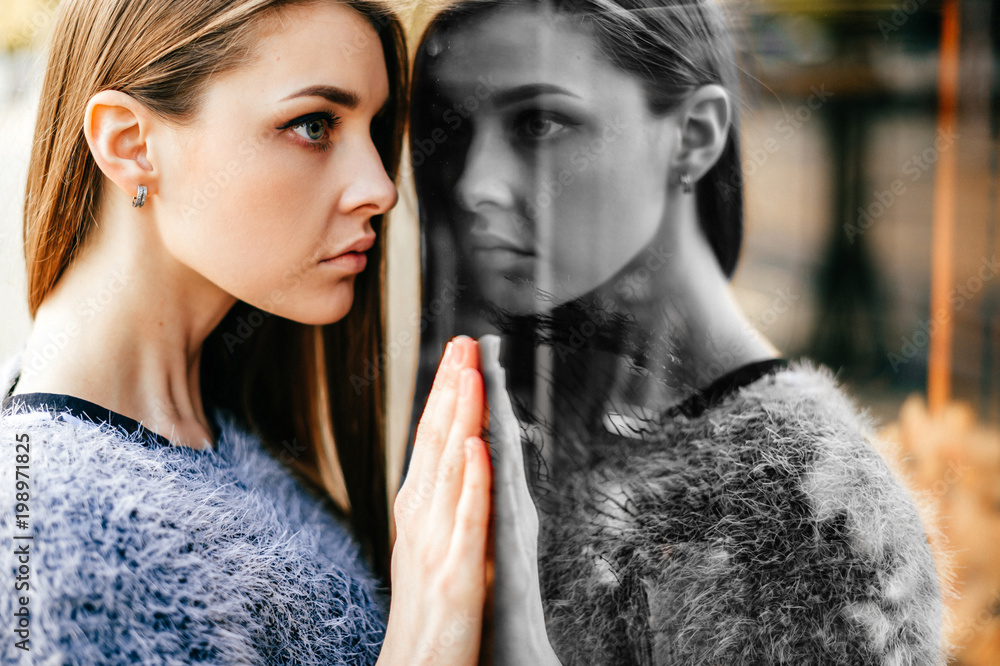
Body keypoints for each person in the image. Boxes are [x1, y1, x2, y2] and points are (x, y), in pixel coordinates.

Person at [408, 0, 947, 663]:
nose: (474, 183)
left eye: (538, 122)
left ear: (694, 135)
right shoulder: (523, 407)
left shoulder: (802, 504)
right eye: (456, 128)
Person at [0, 0, 497, 663]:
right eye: (314, 124)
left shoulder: (219, 429)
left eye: (373, 130)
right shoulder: (48, 529)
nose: (381, 187)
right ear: (130, 143)